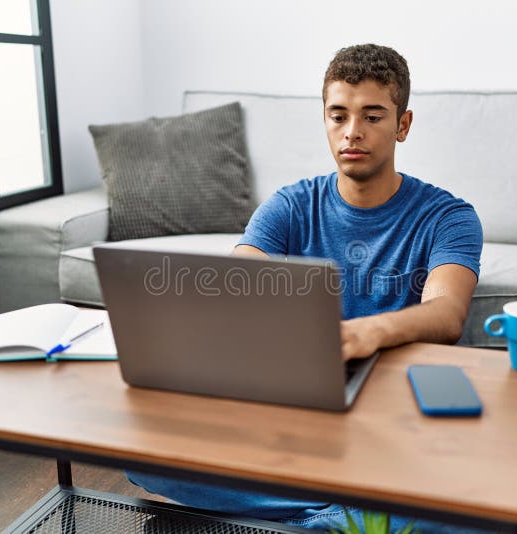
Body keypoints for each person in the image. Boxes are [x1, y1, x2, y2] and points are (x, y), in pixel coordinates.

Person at [128, 44, 484, 533]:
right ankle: (338, 516)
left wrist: (363, 333)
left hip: (393, 415)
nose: (352, 132)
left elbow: (447, 314)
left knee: (482, 514)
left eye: (372, 116)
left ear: (402, 125)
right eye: (338, 116)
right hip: (297, 414)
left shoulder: (448, 216)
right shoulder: (290, 205)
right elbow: (236, 287)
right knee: (141, 457)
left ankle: (303, 513)